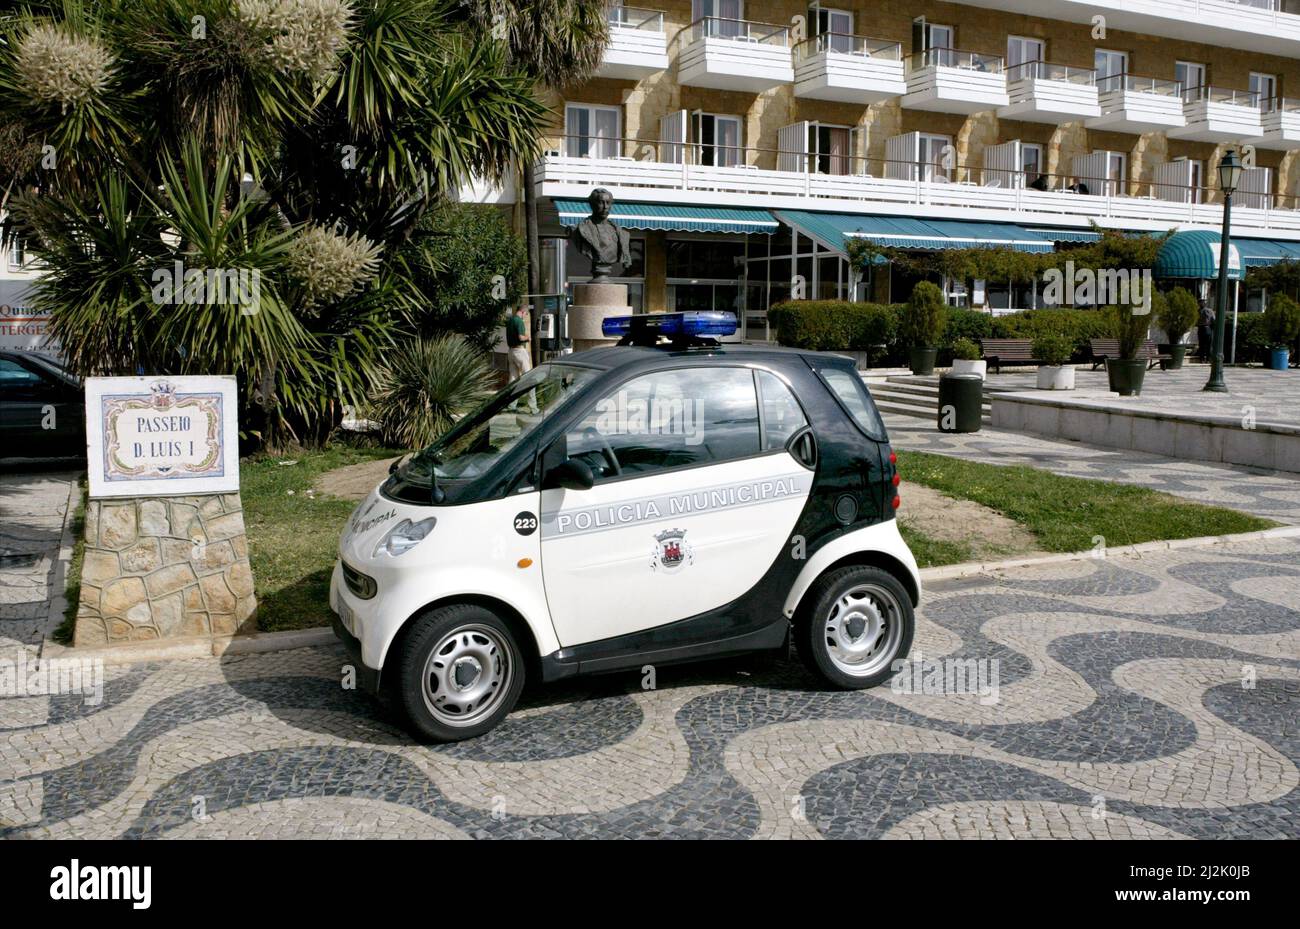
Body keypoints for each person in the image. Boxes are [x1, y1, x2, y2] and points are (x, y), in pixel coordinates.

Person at [506, 304, 531, 382]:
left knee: (513, 378)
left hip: (511, 351)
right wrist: (528, 338)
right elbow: (521, 337)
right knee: (528, 375)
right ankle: (531, 394)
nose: (525, 316)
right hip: (519, 351)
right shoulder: (519, 321)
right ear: (523, 311)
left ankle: (510, 394)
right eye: (526, 314)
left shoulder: (510, 320)